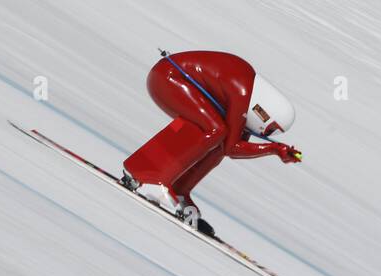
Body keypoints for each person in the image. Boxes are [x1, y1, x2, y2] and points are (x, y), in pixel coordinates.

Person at [122, 50, 302, 236]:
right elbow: (234, 148)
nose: (265, 133)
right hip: (168, 77)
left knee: (219, 141)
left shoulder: (248, 96)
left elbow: (229, 147)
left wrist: (275, 148)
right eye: (269, 129)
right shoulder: (242, 92)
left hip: (170, 77)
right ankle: (150, 178)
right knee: (215, 130)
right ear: (264, 113)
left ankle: (177, 188)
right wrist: (273, 148)